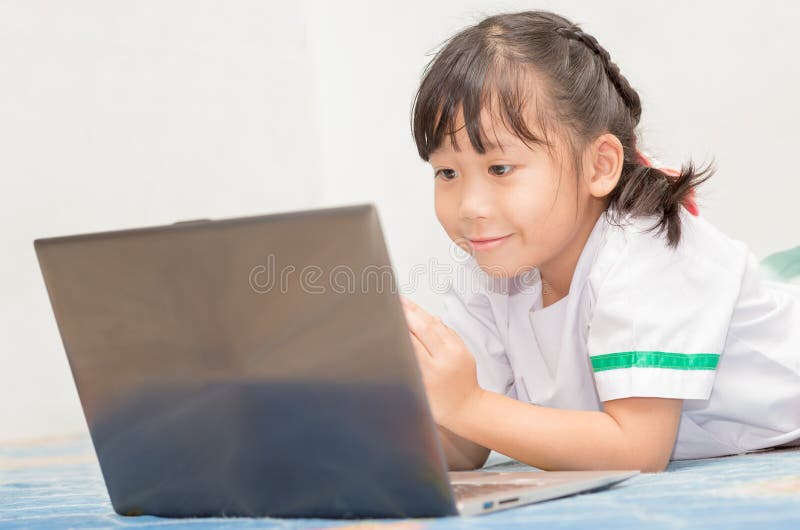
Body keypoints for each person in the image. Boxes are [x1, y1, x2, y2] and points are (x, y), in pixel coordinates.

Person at [399, 9, 800, 473]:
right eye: (447, 173)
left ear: (600, 165)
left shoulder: (644, 250)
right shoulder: (491, 272)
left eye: (500, 169)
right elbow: (466, 444)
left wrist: (467, 405)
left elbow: (636, 448)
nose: (470, 205)